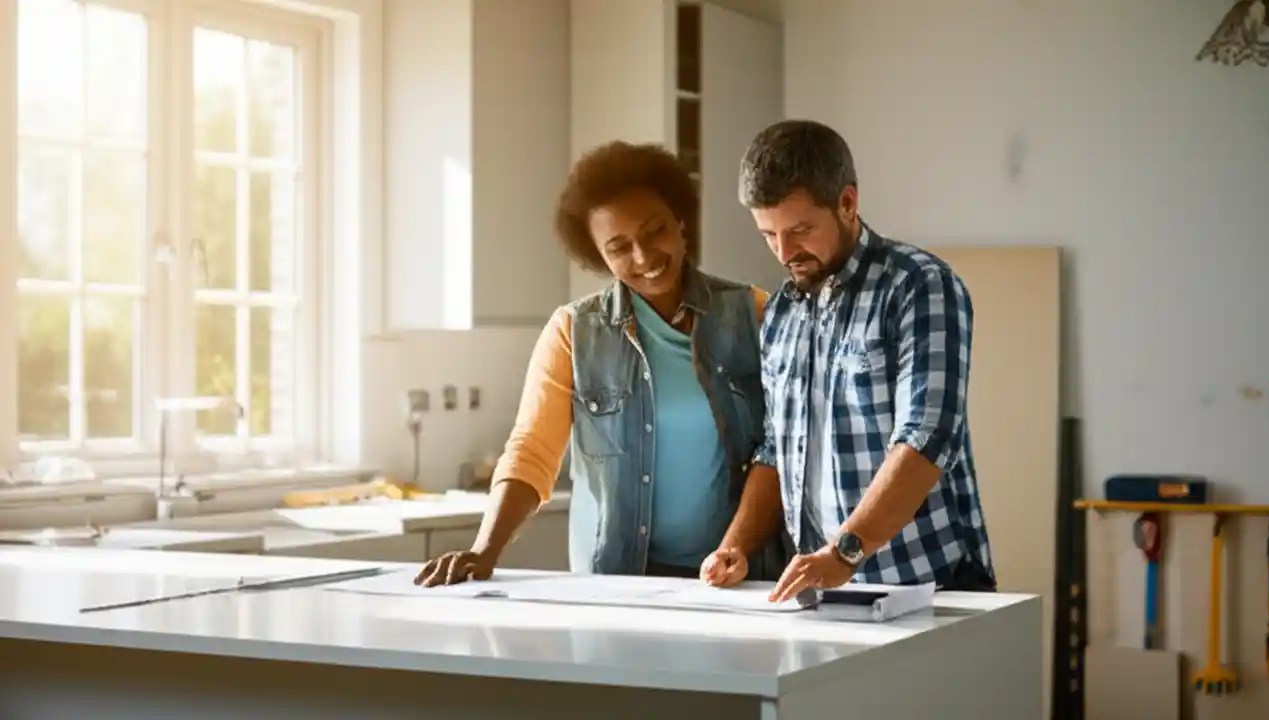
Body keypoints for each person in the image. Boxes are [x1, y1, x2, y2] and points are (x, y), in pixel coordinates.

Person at [415, 140, 786, 586]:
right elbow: (533, 451)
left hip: (740, 579)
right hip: (619, 582)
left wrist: (736, 548)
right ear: (598, 255)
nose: (644, 257)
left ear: (680, 223)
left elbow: (781, 448)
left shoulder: (756, 314)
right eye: (619, 247)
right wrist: (484, 549)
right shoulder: (573, 331)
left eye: (654, 232)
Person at [700, 119, 996, 600]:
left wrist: (844, 553)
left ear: (848, 203)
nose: (784, 252)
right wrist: (737, 547)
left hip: (929, 586)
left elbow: (926, 437)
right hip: (826, 589)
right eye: (768, 235)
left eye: (800, 230)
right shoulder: (781, 311)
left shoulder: (918, 287)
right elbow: (777, 449)